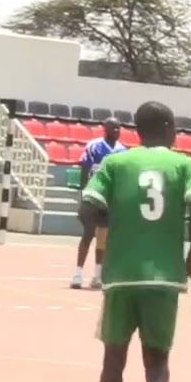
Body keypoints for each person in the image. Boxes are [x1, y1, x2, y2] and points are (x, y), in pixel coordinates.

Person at [77, 101, 191, 382]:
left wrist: (112, 225)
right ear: (168, 127)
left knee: (113, 360)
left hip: (120, 275)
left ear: (136, 130)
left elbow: (87, 208)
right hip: (165, 276)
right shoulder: (185, 165)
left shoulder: (116, 164)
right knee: (158, 358)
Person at [72, 118, 126, 289]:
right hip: (92, 196)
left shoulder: (123, 151)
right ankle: (78, 274)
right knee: (88, 234)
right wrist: (82, 193)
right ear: (105, 129)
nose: (117, 129)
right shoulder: (94, 146)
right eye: (113, 127)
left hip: (110, 199)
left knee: (103, 237)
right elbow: (85, 169)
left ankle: (97, 275)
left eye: (119, 127)